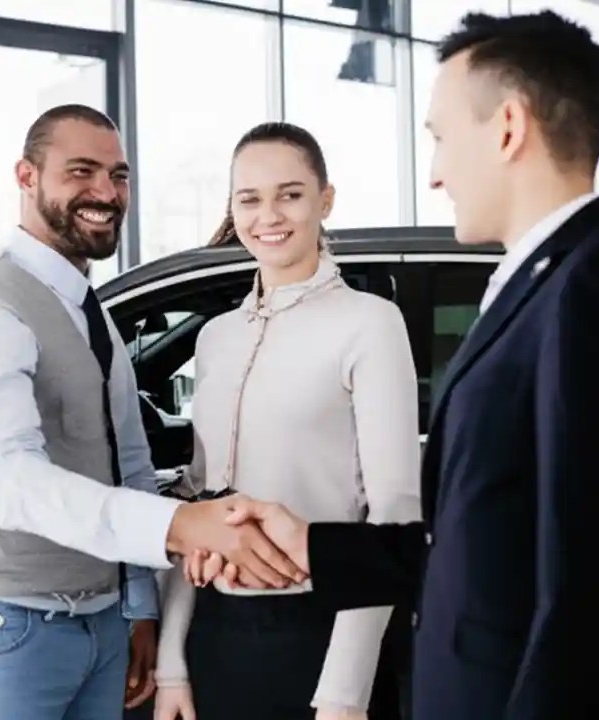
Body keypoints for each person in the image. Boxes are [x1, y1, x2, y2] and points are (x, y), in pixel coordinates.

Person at [191, 11, 599, 720]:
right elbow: (472, 540)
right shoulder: (542, 282)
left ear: (509, 127)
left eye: (441, 137)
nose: (434, 172)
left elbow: (598, 594)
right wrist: (311, 544)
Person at [0, 104, 305, 720]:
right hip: (9, 632)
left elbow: (128, 460)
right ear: (26, 177)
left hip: (102, 631)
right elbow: (8, 479)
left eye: (119, 175)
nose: (106, 192)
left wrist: (139, 608)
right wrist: (181, 526)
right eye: (82, 171)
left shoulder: (91, 312)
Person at [153, 122, 422, 720]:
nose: (267, 215)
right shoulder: (217, 338)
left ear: (325, 200)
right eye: (248, 199)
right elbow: (199, 504)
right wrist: (172, 663)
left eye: (290, 194)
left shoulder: (370, 324)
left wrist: (344, 695)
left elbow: (392, 515)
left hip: (320, 633)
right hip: (216, 636)